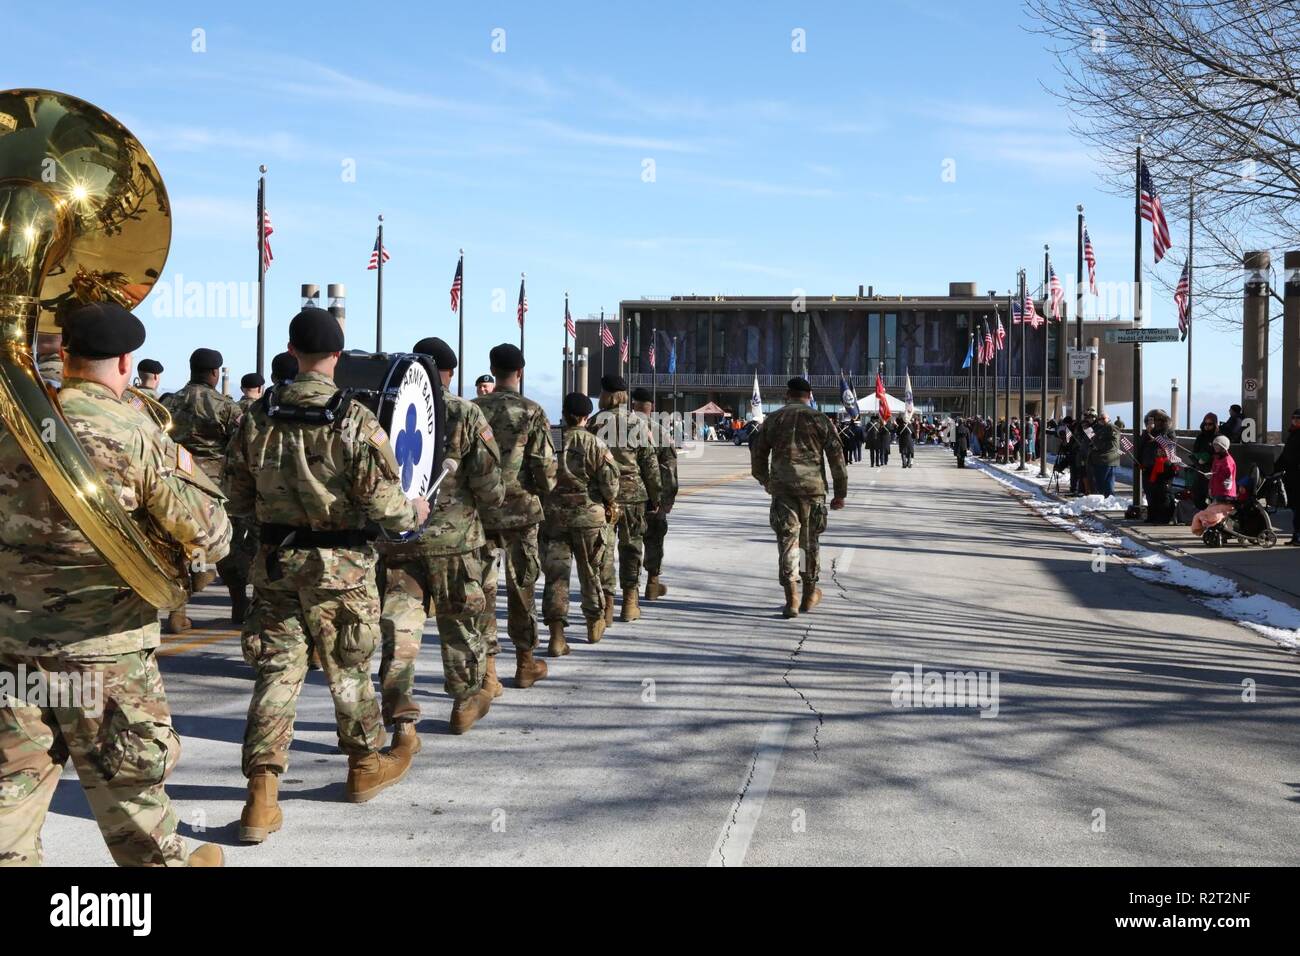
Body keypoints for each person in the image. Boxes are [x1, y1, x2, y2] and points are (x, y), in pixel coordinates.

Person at [0, 302, 231, 867]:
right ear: (127, 361)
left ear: (68, 353)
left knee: (11, 792)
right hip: (104, 651)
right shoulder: (136, 430)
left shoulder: (11, 419)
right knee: (128, 788)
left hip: (11, 644)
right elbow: (211, 533)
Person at [225, 309, 428, 844]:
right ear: (338, 356)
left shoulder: (257, 417)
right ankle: (363, 765)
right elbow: (389, 511)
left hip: (274, 566)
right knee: (348, 667)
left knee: (276, 672)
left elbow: (237, 498)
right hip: (340, 570)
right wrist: (416, 512)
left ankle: (261, 797)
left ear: (292, 353)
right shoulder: (354, 419)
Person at [377, 337, 503, 743]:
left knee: (398, 626)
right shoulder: (465, 413)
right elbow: (488, 485)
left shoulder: (384, 410)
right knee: (459, 624)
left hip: (400, 540)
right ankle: (464, 702)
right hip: (455, 543)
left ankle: (400, 714)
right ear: (448, 372)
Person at [472, 343, 557, 690]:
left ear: (493, 370)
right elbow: (544, 467)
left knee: (483, 591)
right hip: (521, 512)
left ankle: (489, 671)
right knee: (522, 587)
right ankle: (525, 662)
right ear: (520, 372)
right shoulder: (532, 411)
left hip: (480, 513)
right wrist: (542, 489)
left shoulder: (472, 410)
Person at [160, 347, 245, 630]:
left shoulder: (169, 402)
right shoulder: (227, 407)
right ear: (214, 373)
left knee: (176, 547)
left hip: (176, 485)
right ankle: (239, 604)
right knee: (225, 545)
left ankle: (178, 612)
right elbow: (242, 446)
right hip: (216, 487)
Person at [749, 377, 848, 618]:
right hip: (812, 491)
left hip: (783, 490)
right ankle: (809, 594)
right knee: (809, 543)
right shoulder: (820, 420)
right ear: (809, 395)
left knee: (788, 543)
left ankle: (791, 597)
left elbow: (757, 454)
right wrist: (840, 494)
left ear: (787, 394)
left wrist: (766, 480)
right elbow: (837, 459)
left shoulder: (774, 419)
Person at [542, 393, 620, 648]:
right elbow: (610, 487)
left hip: (554, 518)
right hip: (589, 518)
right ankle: (594, 623)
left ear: (564, 414)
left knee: (556, 577)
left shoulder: (553, 440)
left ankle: (556, 635)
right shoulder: (596, 444)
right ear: (586, 417)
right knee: (590, 572)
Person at [589, 374, 661, 624]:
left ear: (606, 394)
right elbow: (649, 463)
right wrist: (656, 495)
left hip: (602, 497)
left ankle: (607, 606)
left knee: (604, 551)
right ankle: (630, 602)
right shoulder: (637, 423)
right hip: (633, 495)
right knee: (631, 547)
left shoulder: (594, 423)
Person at [631, 387, 678, 601]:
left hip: (626, 496)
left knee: (630, 541)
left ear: (633, 404)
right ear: (653, 407)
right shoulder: (660, 432)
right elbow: (669, 468)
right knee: (655, 538)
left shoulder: (619, 428)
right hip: (652, 496)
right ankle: (652, 583)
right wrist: (667, 499)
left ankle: (629, 590)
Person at [1140, 409, 1177, 524]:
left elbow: (1168, 445)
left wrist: (1154, 435)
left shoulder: (1168, 432)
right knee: (1150, 492)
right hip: (1148, 466)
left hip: (1163, 467)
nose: (1153, 423)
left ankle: (1164, 517)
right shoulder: (1147, 433)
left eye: (1156, 420)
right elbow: (1140, 447)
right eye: (1150, 420)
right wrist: (1147, 433)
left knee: (1163, 493)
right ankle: (1152, 515)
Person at [1274, 408, 1300, 545]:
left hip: (1297, 475)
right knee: (1295, 507)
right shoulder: (1293, 434)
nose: (1296, 420)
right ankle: (1296, 536)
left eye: (1298, 418)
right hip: (1291, 476)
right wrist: (1275, 468)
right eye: (1294, 418)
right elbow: (1285, 456)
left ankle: (1298, 536)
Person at [1190, 413, 1219, 509]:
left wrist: (1208, 459)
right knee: (1196, 495)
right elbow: (1193, 453)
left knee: (1213, 497)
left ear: (1214, 425)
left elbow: (1221, 454)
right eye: (1206, 424)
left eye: (1210, 424)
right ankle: (1204, 514)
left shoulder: (1218, 438)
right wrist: (1198, 461)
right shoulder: (1200, 437)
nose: (1207, 426)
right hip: (1200, 471)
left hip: (1212, 472)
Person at [1088, 411, 1120, 498]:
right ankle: (1105, 499)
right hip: (1101, 459)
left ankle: (1107, 499)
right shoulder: (1101, 428)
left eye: (1103, 418)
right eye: (1100, 419)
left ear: (1108, 418)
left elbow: (1113, 444)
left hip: (1107, 459)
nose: (1101, 420)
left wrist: (1097, 446)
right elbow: (1096, 440)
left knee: (1105, 483)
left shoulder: (1112, 427)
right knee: (1103, 482)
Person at [1209, 435, 1237, 502]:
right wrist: (1210, 488)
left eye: (1217, 445)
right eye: (1214, 445)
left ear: (1223, 446)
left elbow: (1228, 477)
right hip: (1216, 491)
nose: (1215, 447)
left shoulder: (1227, 460)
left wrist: (1213, 474)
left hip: (1225, 494)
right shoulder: (1217, 458)